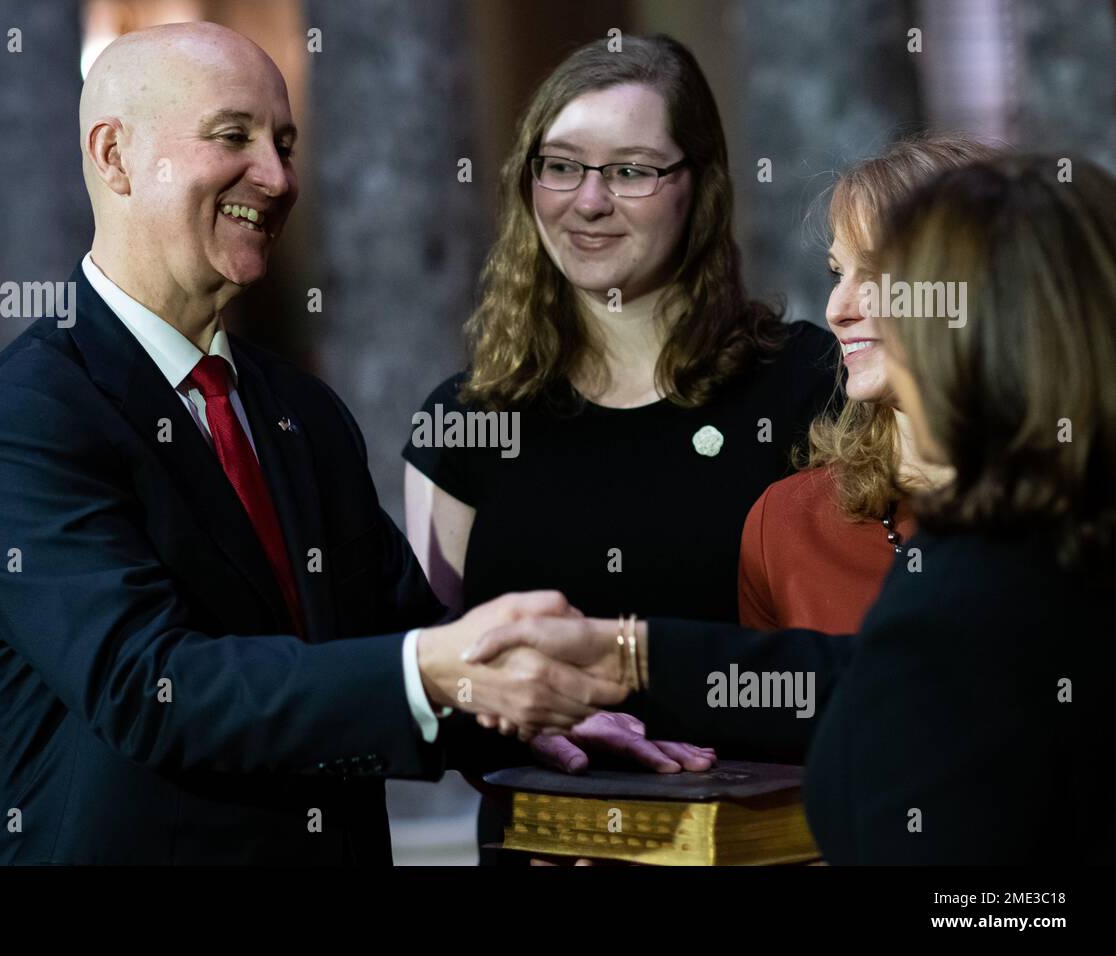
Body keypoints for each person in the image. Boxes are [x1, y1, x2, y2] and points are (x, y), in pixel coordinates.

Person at [0, 22, 621, 866]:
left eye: (285, 145)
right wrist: (431, 669)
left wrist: (532, 712)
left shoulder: (301, 408)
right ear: (114, 156)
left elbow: (389, 637)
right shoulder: (20, 421)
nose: (278, 177)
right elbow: (148, 686)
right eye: (233, 137)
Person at [466, 154, 1116, 863]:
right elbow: (854, 680)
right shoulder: (958, 535)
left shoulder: (1022, 554)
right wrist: (627, 661)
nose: (838, 309)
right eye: (838, 272)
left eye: (889, 277)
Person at [402, 32, 837, 858]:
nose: (589, 201)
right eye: (561, 166)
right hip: (542, 851)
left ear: (700, 188)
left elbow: (859, 666)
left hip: (760, 849)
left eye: (632, 171)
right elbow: (439, 681)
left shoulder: (809, 387)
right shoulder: (462, 420)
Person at [739, 135, 995, 633]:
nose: (836, 310)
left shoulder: (1083, 513)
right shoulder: (787, 525)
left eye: (876, 274)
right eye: (838, 273)